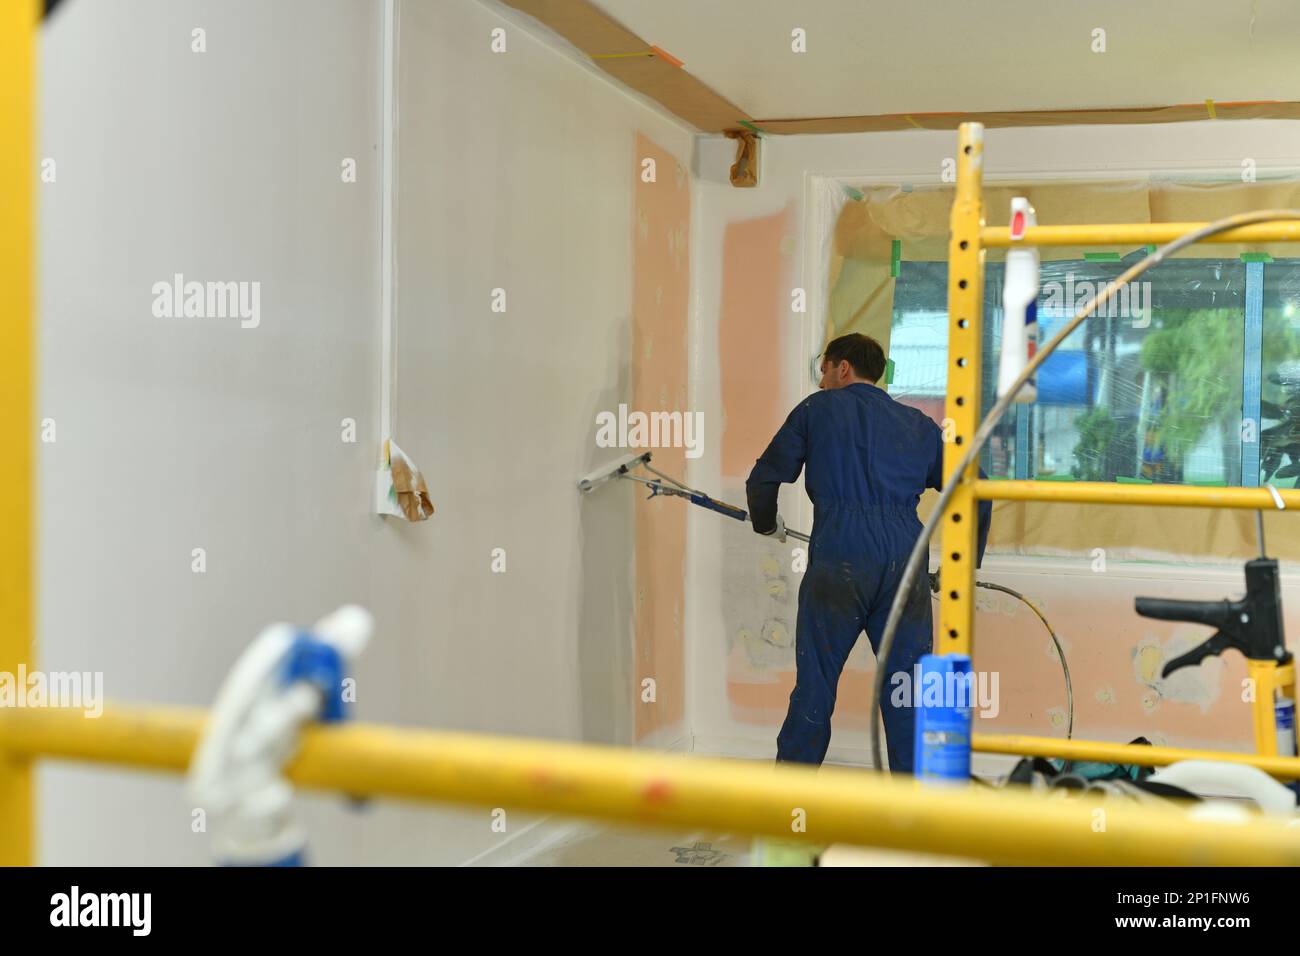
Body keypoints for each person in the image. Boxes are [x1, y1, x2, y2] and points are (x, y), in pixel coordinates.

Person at [745, 333, 991, 771]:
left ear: (842, 368)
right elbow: (977, 489)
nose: (821, 382)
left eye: (823, 370)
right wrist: (965, 564)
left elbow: (763, 479)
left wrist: (765, 523)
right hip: (906, 558)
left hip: (840, 555)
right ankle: (917, 811)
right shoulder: (917, 424)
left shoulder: (815, 410)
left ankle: (787, 803)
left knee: (816, 686)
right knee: (908, 687)